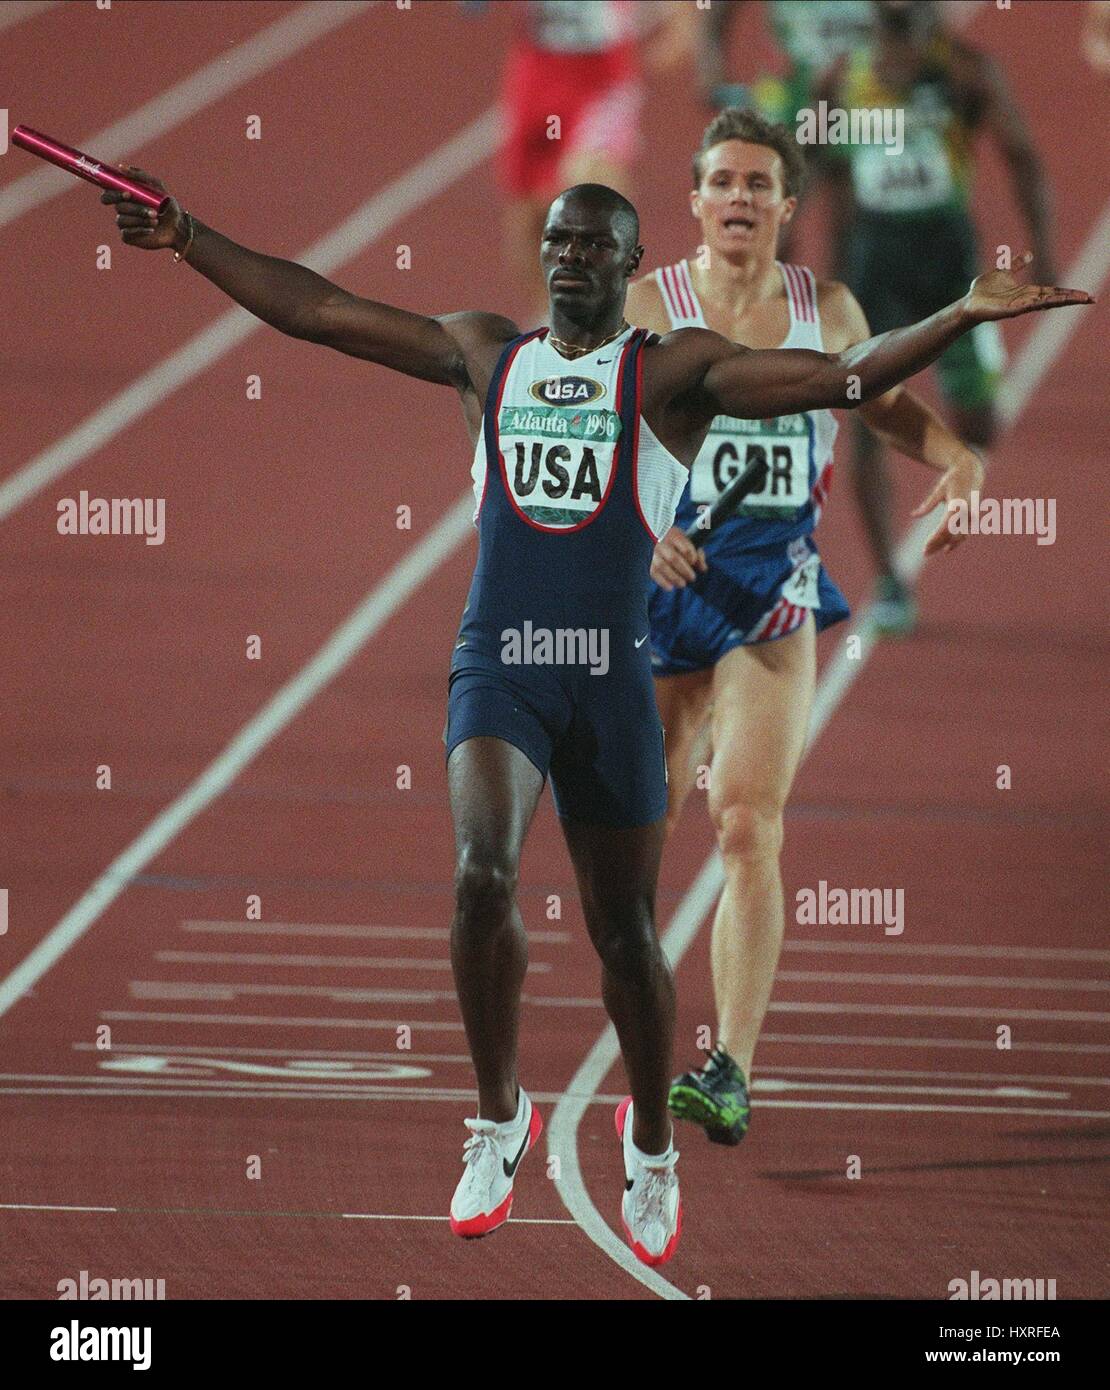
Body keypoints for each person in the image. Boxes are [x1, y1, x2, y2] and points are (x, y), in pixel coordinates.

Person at [98, 165, 1087, 1266]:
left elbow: (839, 383)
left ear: (629, 267)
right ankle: (497, 1117)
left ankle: (652, 1144)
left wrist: (955, 315)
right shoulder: (487, 352)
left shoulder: (674, 374)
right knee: (480, 873)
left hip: (612, 679)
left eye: (590, 245)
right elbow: (320, 311)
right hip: (502, 665)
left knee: (626, 939)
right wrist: (189, 234)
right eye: (558, 241)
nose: (566, 256)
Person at [626, 107, 989, 1147]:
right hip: (660, 593)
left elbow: (880, 405)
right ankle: (645, 1045)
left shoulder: (823, 309)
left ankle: (731, 1068)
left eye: (759, 184)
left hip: (772, 596)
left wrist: (958, 460)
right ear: (692, 201)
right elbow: (579, 432)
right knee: (634, 842)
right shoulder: (647, 307)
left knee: (745, 821)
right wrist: (639, 534)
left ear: (790, 205)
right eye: (722, 182)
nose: (740, 198)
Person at [820, 0, 1057, 633]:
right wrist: (826, 273)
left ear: (931, 24)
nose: (903, 44)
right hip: (875, 268)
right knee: (862, 418)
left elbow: (1023, 156)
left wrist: (1047, 256)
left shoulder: (966, 75)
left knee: (979, 422)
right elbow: (825, 174)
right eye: (892, 26)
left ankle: (947, 461)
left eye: (915, 25)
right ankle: (890, 580)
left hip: (951, 268)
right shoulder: (842, 80)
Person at [495, 0, 693, 317]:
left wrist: (683, 23)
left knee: (591, 191)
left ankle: (616, 315)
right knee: (528, 222)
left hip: (601, 80)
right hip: (535, 75)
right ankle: (549, 319)